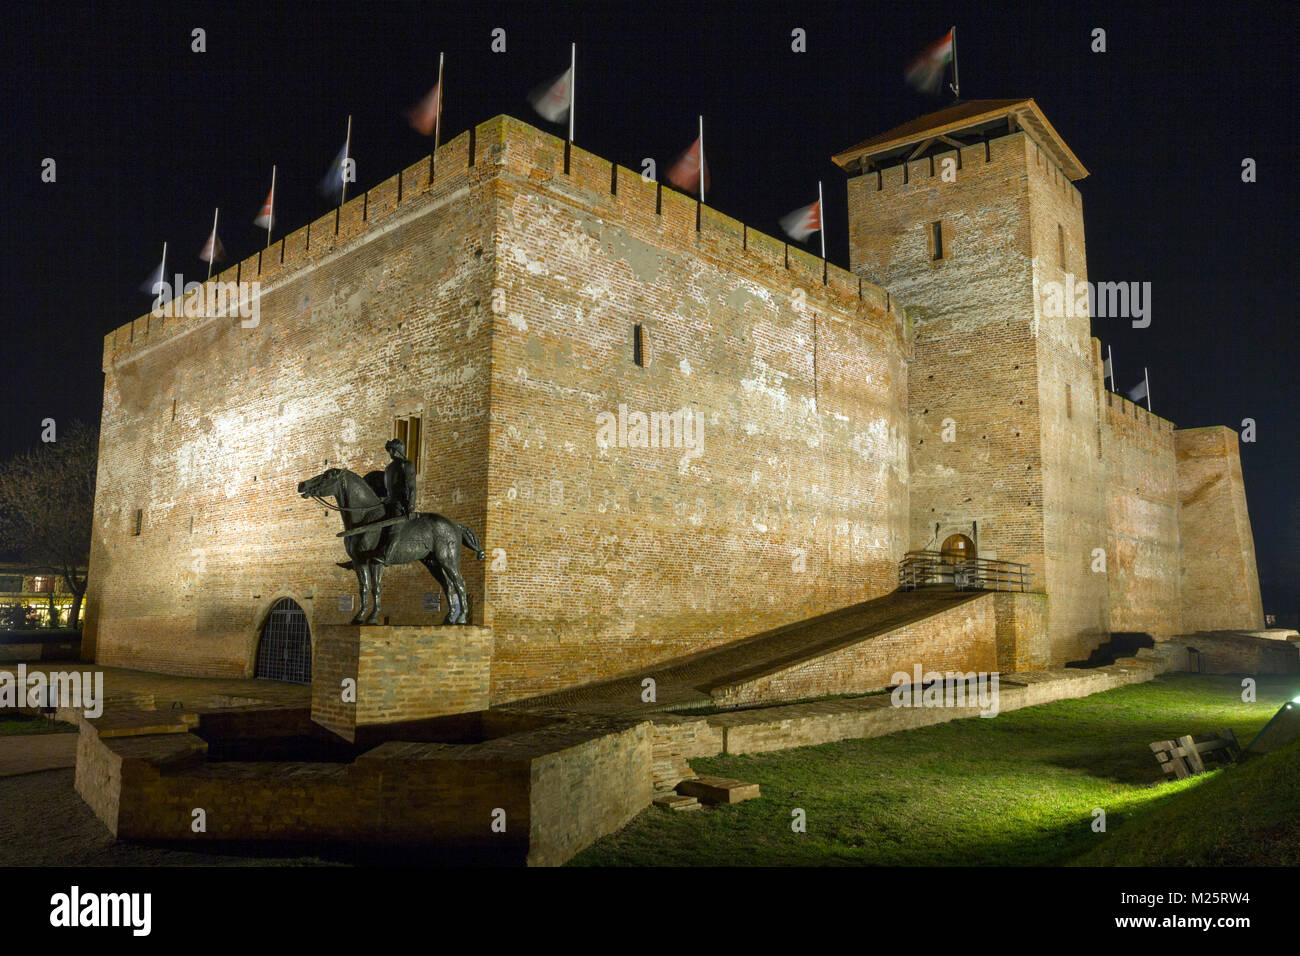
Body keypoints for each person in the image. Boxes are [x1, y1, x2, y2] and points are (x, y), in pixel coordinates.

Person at [373, 438, 416, 567]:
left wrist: (411, 506)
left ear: (396, 450)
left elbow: (411, 487)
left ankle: (387, 555)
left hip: (399, 504)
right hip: (388, 502)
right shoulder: (389, 468)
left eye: (391, 450)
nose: (389, 453)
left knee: (394, 527)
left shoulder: (406, 465)